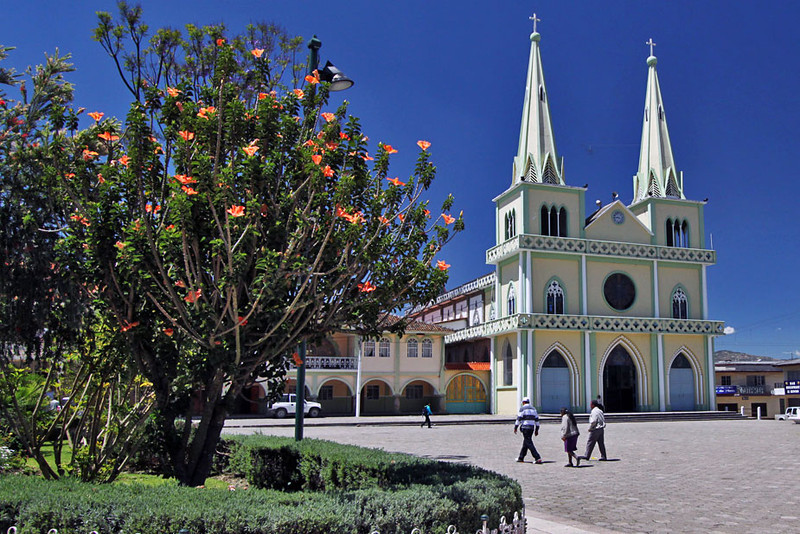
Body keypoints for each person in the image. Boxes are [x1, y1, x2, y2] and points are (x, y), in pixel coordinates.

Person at [513, 397, 542, 464]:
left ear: (523, 402)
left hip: (525, 427)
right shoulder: (533, 409)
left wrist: (515, 427)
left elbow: (519, 418)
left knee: (528, 442)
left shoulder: (522, 408)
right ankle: (521, 457)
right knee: (526, 442)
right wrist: (537, 429)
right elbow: (537, 420)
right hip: (531, 428)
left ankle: (537, 457)